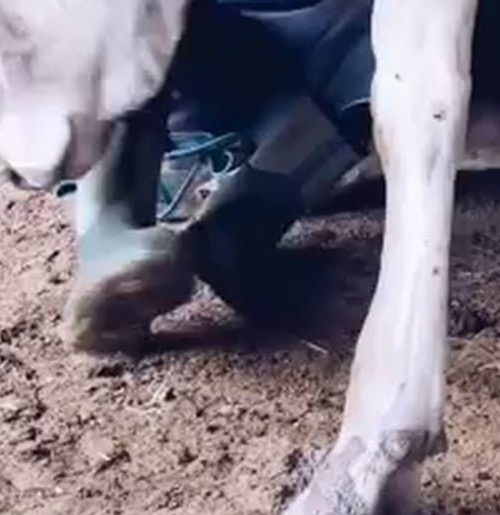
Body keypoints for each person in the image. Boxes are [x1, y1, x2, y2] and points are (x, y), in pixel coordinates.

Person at [60, 0, 375, 351]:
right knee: (375, 50)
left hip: (191, 79)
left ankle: (115, 230)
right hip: (289, 68)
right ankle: (229, 226)